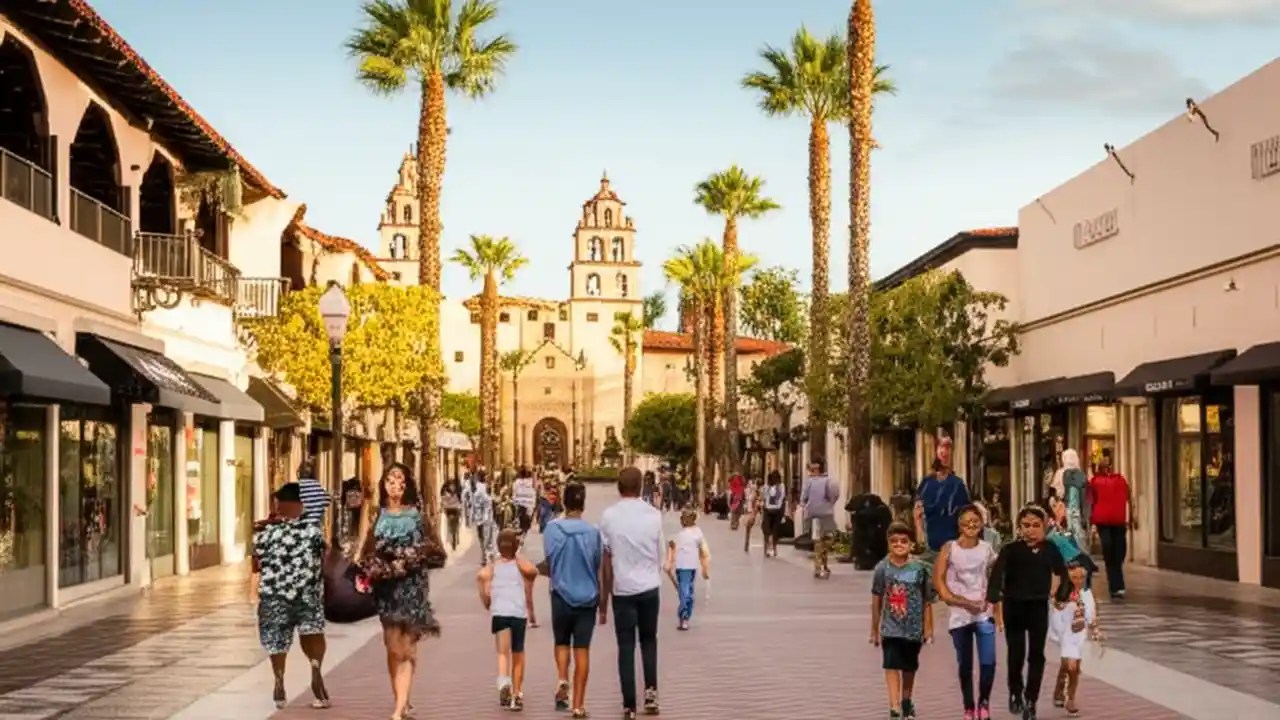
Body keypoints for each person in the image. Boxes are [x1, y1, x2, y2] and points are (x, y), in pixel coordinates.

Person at [357, 463, 443, 720]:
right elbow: (365, 550)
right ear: (384, 484)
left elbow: (434, 549)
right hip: (386, 589)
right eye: (390, 482)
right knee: (392, 645)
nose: (395, 487)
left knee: (407, 647)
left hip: (412, 587)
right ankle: (401, 699)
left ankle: (400, 707)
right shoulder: (375, 514)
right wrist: (373, 566)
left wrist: (409, 558)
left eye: (400, 482)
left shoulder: (417, 516)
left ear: (407, 486)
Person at [988, 505, 1072, 720]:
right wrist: (994, 593)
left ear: (1044, 527)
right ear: (1019, 527)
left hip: (1037, 606)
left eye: (1036, 525)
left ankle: (1031, 699)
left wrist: (1062, 594)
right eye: (1026, 525)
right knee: (1016, 653)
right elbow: (998, 573)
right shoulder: (1011, 550)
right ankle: (1015, 691)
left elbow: (1062, 572)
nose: (1031, 530)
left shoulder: (1050, 549)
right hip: (1014, 606)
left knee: (1036, 655)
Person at [250, 482, 329, 709]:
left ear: (280, 504)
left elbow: (257, 564)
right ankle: (315, 668)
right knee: (312, 633)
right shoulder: (313, 531)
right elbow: (323, 558)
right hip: (307, 594)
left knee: (276, 640)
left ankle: (279, 679)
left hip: (274, 596)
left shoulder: (264, 533)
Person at [599, 467, 664, 719]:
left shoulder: (609, 517)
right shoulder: (654, 515)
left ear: (619, 486)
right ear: (641, 486)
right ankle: (651, 693)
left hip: (622, 589)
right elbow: (659, 556)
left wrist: (603, 601)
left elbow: (605, 560)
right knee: (649, 640)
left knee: (625, 646)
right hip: (649, 587)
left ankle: (629, 705)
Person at [543, 482, 603, 719]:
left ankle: (562, 678)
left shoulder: (551, 530)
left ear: (564, 503)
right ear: (583, 504)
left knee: (561, 642)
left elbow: (549, 561)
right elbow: (597, 564)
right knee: (582, 650)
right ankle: (578, 705)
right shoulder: (593, 533)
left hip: (560, 594)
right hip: (587, 597)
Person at [934, 505, 999, 720]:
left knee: (988, 661)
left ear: (981, 524)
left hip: (983, 612)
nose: (971, 525)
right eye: (966, 521)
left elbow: (999, 576)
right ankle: (969, 706)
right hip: (959, 615)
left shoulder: (987, 548)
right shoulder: (949, 549)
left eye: (976, 521)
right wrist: (962, 602)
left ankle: (984, 702)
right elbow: (940, 585)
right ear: (959, 525)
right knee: (965, 664)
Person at [870, 522, 936, 720]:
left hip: (913, 628)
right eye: (894, 541)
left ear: (912, 544)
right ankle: (894, 706)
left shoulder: (920, 569)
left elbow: (927, 601)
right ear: (888, 544)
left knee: (909, 667)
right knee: (890, 664)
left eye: (903, 541)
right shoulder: (882, 568)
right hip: (890, 627)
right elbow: (876, 599)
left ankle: (906, 699)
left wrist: (928, 628)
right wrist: (874, 629)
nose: (899, 544)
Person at [478, 528, 539, 710]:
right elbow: (533, 572)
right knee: (518, 653)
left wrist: (487, 602)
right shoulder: (521, 565)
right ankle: (516, 693)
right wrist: (517, 556)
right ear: (516, 545)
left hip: (499, 613)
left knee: (503, 653)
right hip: (517, 614)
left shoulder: (493, 567)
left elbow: (483, 583)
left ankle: (504, 682)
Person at [1050, 564, 1099, 717]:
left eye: (1082, 577)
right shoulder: (1061, 595)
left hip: (1079, 634)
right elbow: (1055, 617)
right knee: (1071, 666)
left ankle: (1063, 691)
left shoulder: (1087, 594)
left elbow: (1091, 616)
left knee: (1074, 667)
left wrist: (1095, 630)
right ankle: (1069, 700)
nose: (1079, 581)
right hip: (1065, 634)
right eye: (1075, 577)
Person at [1088, 449, 1134, 599]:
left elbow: (1129, 497)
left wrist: (1132, 516)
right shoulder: (1095, 482)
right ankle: (1116, 585)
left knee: (1118, 552)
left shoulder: (1120, 480)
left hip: (1118, 520)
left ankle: (1117, 583)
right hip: (1104, 521)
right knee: (1110, 551)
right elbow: (1091, 501)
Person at [914, 459, 971, 563]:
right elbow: (918, 511)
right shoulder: (927, 483)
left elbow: (966, 512)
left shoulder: (957, 484)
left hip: (952, 537)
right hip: (932, 536)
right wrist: (920, 533)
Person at [665, 508, 710, 630]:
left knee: (687, 591)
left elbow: (703, 551)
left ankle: (685, 615)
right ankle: (684, 616)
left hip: (691, 566)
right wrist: (669, 563)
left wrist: (705, 567)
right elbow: (672, 547)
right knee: (685, 591)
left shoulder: (697, 533)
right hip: (681, 566)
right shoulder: (680, 534)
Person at [800, 460, 839, 579]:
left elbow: (803, 498)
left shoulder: (814, 482)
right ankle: (820, 566)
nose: (811, 472)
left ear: (818, 469)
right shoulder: (827, 481)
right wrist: (829, 504)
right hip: (822, 514)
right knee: (823, 540)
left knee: (822, 540)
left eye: (812, 470)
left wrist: (806, 506)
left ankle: (821, 565)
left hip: (816, 514)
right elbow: (835, 495)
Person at [470, 472, 497, 565]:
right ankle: (488, 556)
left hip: (482, 519)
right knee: (487, 538)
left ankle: (486, 556)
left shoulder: (478, 490)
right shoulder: (483, 488)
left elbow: (477, 505)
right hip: (486, 518)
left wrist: (476, 518)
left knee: (483, 538)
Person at [761, 471, 787, 558]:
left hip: (768, 511)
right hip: (777, 511)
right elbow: (783, 500)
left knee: (767, 531)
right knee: (775, 531)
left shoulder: (766, 487)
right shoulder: (781, 486)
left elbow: (764, 499)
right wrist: (783, 513)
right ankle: (774, 549)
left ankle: (767, 550)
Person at [513, 467, 537, 538]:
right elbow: (534, 491)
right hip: (529, 505)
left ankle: (522, 533)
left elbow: (514, 493)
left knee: (521, 520)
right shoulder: (531, 481)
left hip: (520, 504)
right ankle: (524, 534)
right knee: (526, 523)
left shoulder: (517, 482)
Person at [441, 479, 463, 551]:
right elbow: (443, 502)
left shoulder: (456, 493)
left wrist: (459, 508)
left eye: (453, 485)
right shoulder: (446, 493)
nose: (452, 487)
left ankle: (455, 539)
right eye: (451, 485)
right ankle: (452, 539)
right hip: (449, 511)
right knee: (451, 526)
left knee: (455, 527)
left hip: (455, 511)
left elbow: (459, 503)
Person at [741, 477, 761, 553]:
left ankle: (748, 545)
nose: (752, 485)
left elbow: (755, 505)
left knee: (750, 530)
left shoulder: (756, 494)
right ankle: (747, 545)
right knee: (748, 530)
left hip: (752, 514)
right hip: (751, 513)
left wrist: (753, 514)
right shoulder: (752, 493)